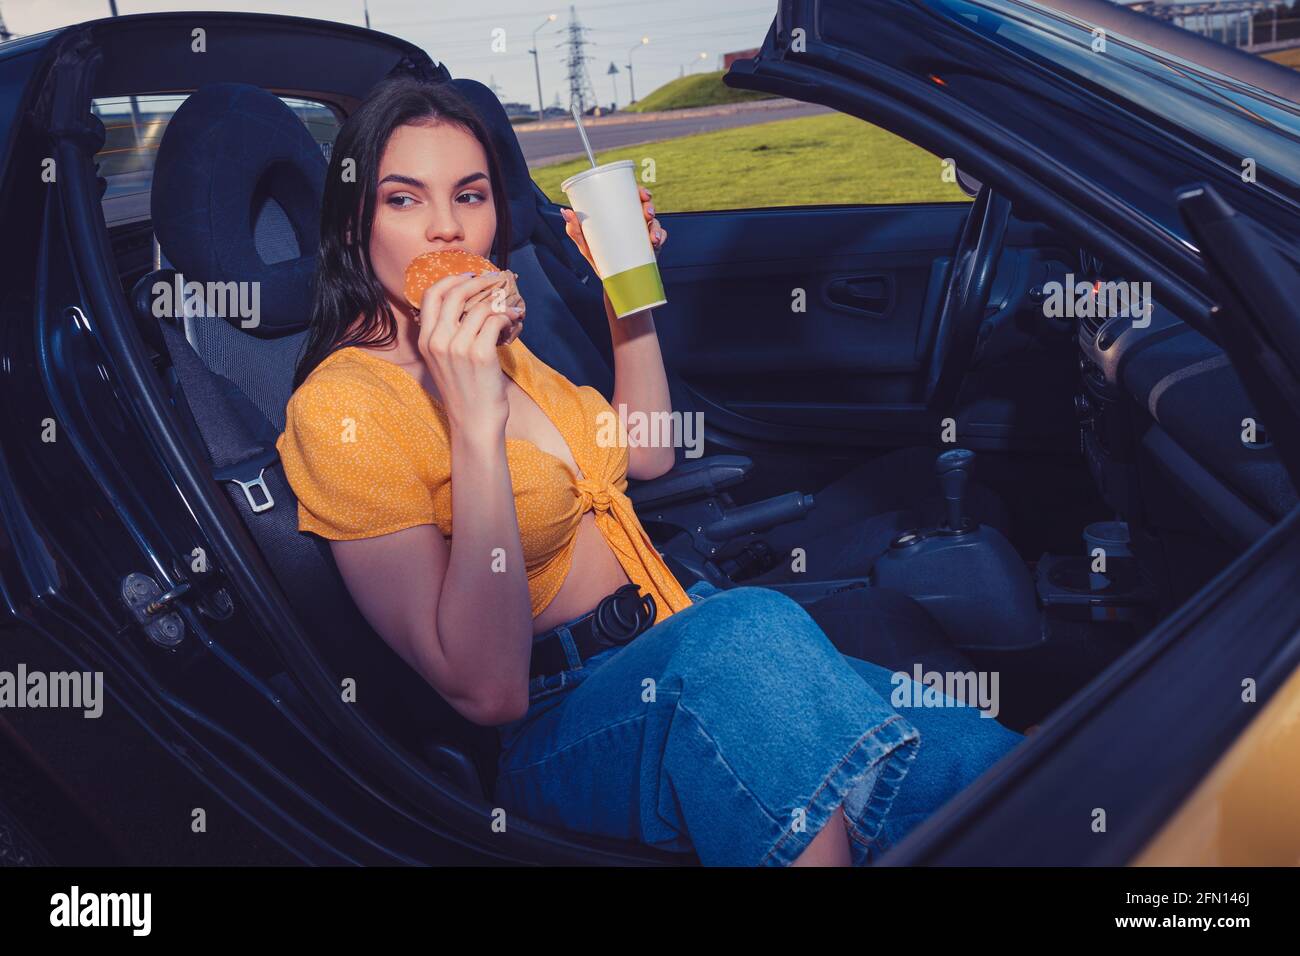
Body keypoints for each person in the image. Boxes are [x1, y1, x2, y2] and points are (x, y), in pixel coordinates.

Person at [276, 75, 1022, 867]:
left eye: (470, 196)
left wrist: (623, 291)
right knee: (753, 633)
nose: (445, 231)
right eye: (403, 200)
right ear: (355, 222)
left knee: (994, 772)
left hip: (679, 634)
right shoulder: (341, 412)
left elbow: (649, 450)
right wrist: (472, 422)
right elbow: (488, 692)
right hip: (562, 718)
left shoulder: (497, 341)